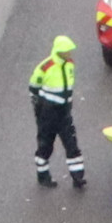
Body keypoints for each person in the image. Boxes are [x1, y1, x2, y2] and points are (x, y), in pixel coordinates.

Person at [28, 32, 86, 187]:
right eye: (67, 50)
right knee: (45, 144)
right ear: (60, 51)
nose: (69, 53)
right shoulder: (46, 66)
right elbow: (34, 86)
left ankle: (78, 177)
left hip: (64, 111)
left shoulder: (69, 64)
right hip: (48, 112)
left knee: (71, 143)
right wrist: (39, 106)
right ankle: (43, 175)